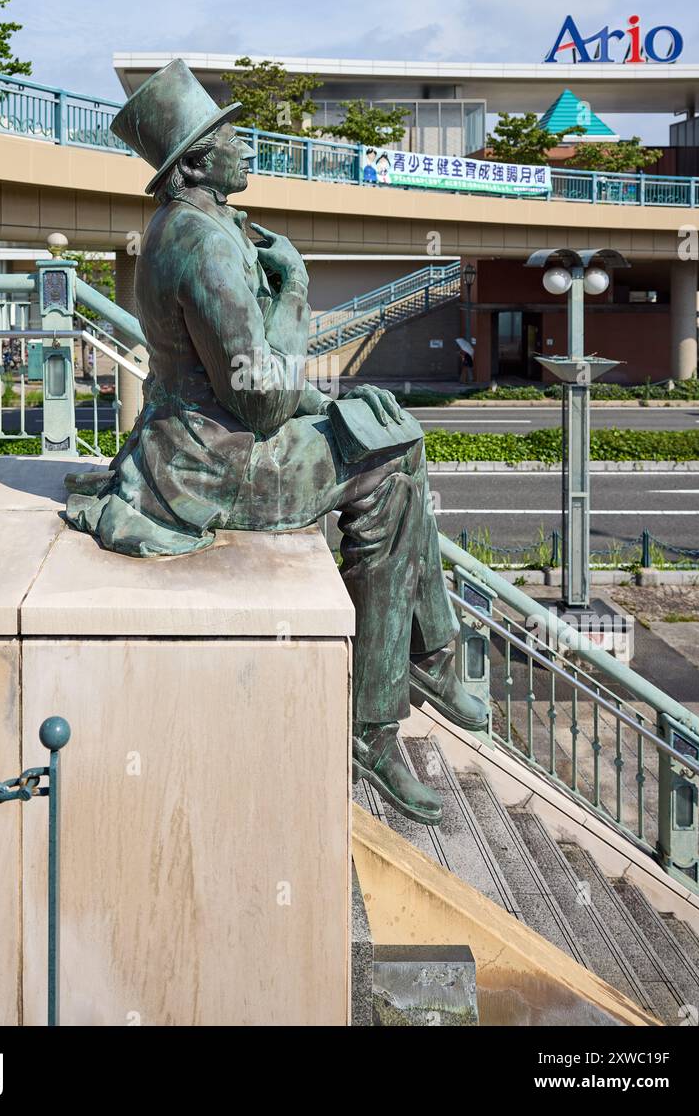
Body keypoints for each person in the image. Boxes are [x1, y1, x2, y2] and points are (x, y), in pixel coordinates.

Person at [65, 60, 484, 824]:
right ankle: (379, 719)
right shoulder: (205, 242)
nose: (247, 145)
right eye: (228, 135)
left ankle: (424, 663)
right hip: (215, 463)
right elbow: (259, 402)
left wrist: (321, 397)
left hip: (185, 439)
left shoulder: (190, 225)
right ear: (194, 162)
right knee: (392, 462)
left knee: (387, 433)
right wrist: (294, 291)